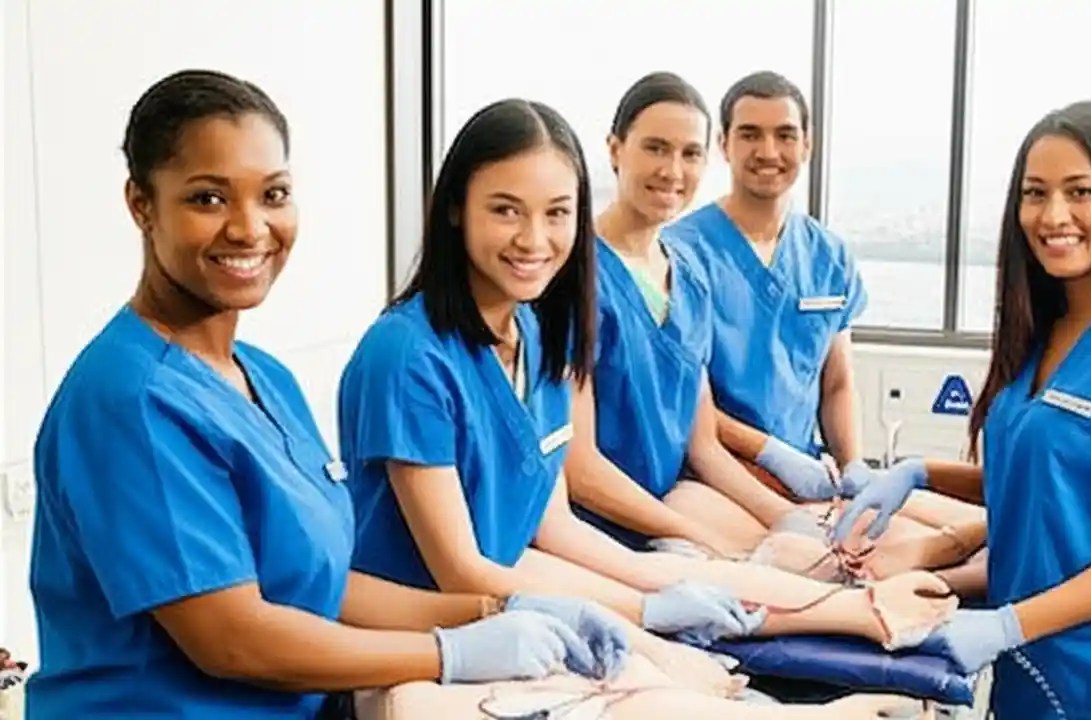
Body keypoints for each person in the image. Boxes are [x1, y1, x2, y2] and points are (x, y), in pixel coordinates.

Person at [24, 69, 639, 720]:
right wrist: (449, 650)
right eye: (207, 199)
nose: (249, 227)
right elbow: (233, 641)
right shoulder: (132, 401)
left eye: (273, 194)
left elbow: (323, 585)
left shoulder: (265, 378)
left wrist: (502, 610)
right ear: (141, 204)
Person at [337, 97, 958, 665]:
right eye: (505, 210)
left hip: (521, 581)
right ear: (454, 209)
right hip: (424, 634)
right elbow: (463, 572)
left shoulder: (536, 333)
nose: (534, 239)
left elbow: (551, 524)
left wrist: (684, 576)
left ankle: (865, 608)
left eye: (557, 214)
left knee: (716, 606)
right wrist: (645, 618)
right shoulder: (409, 356)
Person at [836, 100, 1091, 719]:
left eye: (1081, 192)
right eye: (1034, 193)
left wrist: (1006, 625)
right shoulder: (1038, 338)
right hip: (1033, 668)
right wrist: (918, 475)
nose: (1053, 216)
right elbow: (1049, 489)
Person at [566, 71, 811, 556]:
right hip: (591, 527)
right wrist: (700, 540)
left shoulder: (691, 280)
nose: (673, 171)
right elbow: (581, 470)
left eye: (690, 153)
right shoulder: (574, 278)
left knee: (806, 559)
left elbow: (703, 448)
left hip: (667, 508)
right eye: (655, 148)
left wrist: (787, 517)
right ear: (615, 150)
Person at [667, 70, 873, 504]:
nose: (769, 151)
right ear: (724, 145)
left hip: (810, 477)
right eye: (750, 135)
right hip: (711, 479)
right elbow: (683, 400)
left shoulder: (829, 256)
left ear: (807, 145)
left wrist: (854, 468)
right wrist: (774, 455)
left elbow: (836, 382)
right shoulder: (682, 253)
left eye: (785, 135)